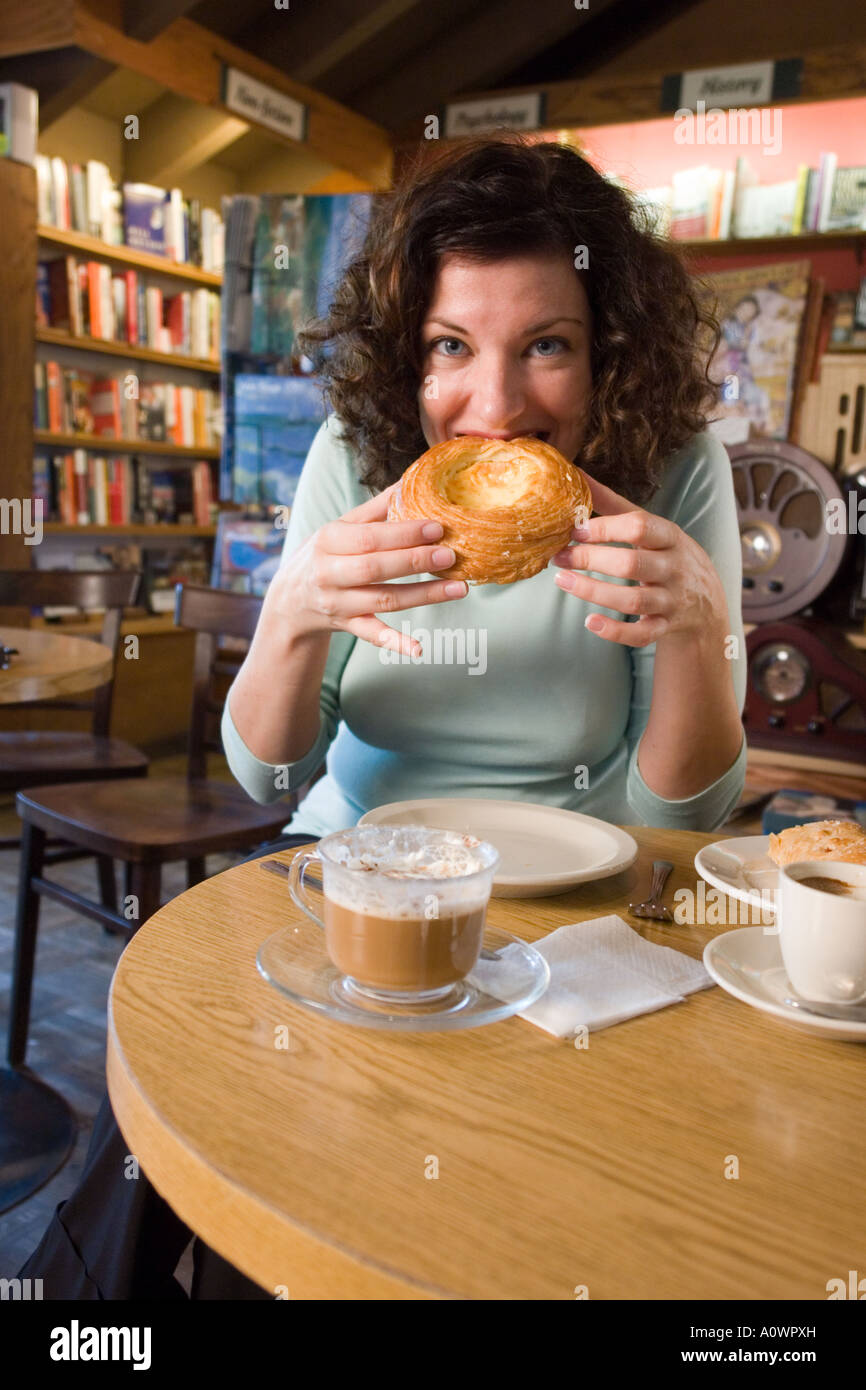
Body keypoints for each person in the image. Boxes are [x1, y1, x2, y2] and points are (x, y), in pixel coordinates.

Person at [20, 133, 746, 1298]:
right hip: (350, 872)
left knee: (559, 1214)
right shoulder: (355, 461)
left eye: (546, 345)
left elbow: (689, 808)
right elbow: (262, 781)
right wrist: (294, 616)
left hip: (590, 912)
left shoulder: (675, 470)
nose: (494, 406)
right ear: (402, 357)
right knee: (229, 1155)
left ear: (609, 350)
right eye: (449, 347)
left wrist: (696, 624)